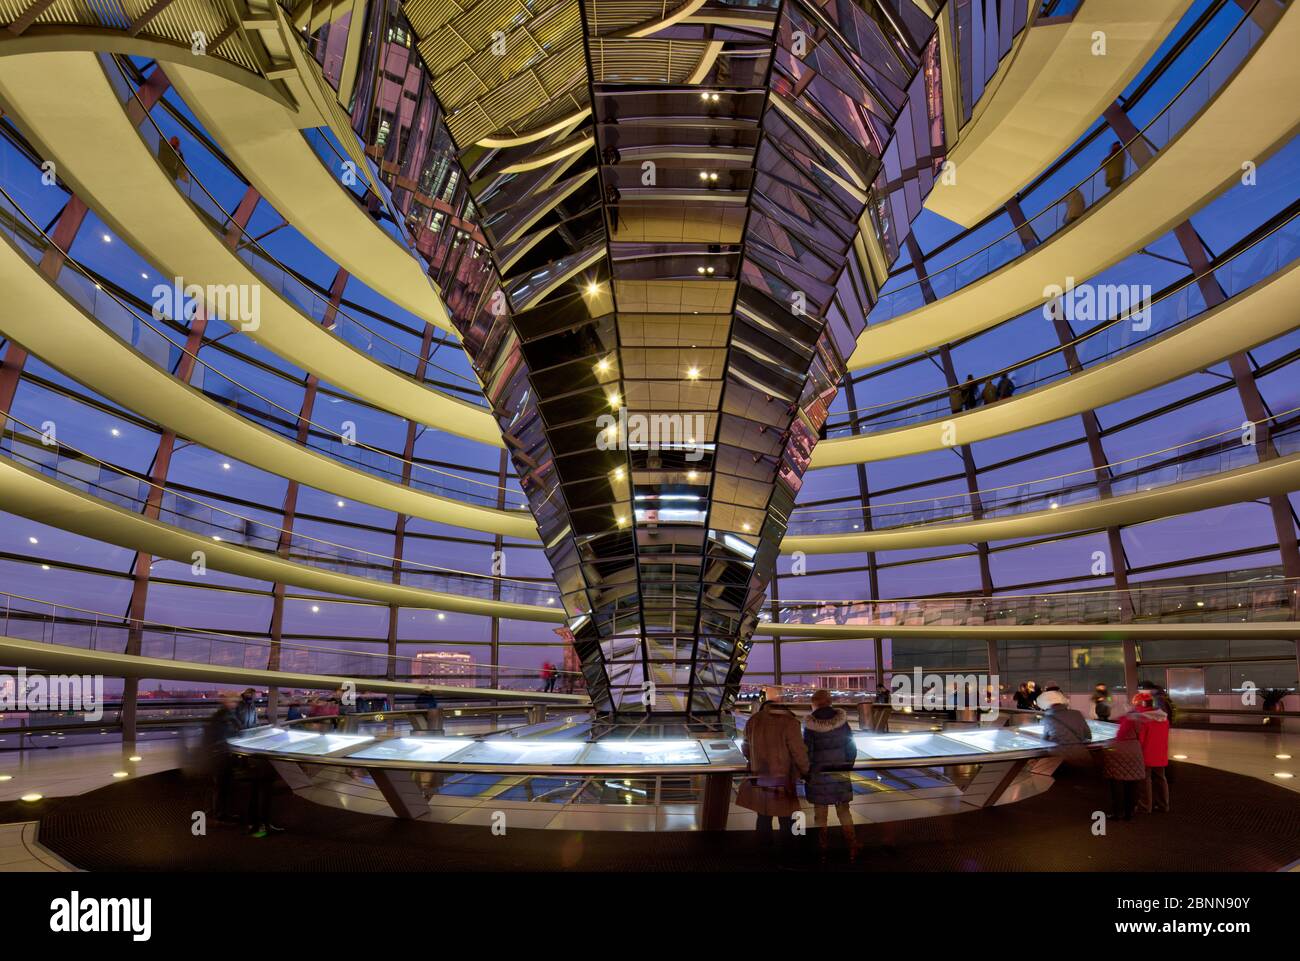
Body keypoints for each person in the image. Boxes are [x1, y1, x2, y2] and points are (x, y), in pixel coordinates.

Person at [737, 700, 809, 846]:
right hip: (784, 780)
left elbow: (745, 747)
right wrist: (806, 770)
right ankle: (790, 853)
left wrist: (754, 761)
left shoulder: (753, 721)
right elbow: (798, 752)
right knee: (789, 818)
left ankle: (764, 853)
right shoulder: (790, 722)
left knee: (763, 816)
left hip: (760, 777)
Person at [802, 690, 859, 861]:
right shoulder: (842, 723)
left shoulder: (810, 726)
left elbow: (807, 753)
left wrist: (808, 773)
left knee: (820, 816)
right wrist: (846, 766)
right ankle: (852, 846)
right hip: (839, 773)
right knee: (844, 812)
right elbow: (851, 748)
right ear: (829, 702)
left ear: (814, 704)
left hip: (819, 776)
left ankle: (822, 850)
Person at [1104, 698, 1150, 820]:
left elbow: (1119, 736)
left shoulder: (1125, 720)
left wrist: (1109, 748)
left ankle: (1118, 813)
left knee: (1117, 785)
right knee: (1133, 785)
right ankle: (1130, 813)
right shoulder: (1141, 720)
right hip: (1136, 751)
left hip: (1120, 752)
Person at [201, 695, 241, 823]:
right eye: (233, 701)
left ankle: (219, 812)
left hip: (221, 755)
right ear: (226, 702)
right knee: (220, 785)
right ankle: (218, 814)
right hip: (220, 756)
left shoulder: (225, 716)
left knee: (221, 785)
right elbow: (224, 735)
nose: (235, 704)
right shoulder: (224, 717)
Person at [1130, 691, 1171, 814]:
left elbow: (1140, 739)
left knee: (1145, 780)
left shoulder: (1142, 720)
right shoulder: (1163, 717)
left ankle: (1145, 806)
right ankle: (1164, 805)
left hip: (1146, 754)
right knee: (1161, 778)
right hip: (1160, 754)